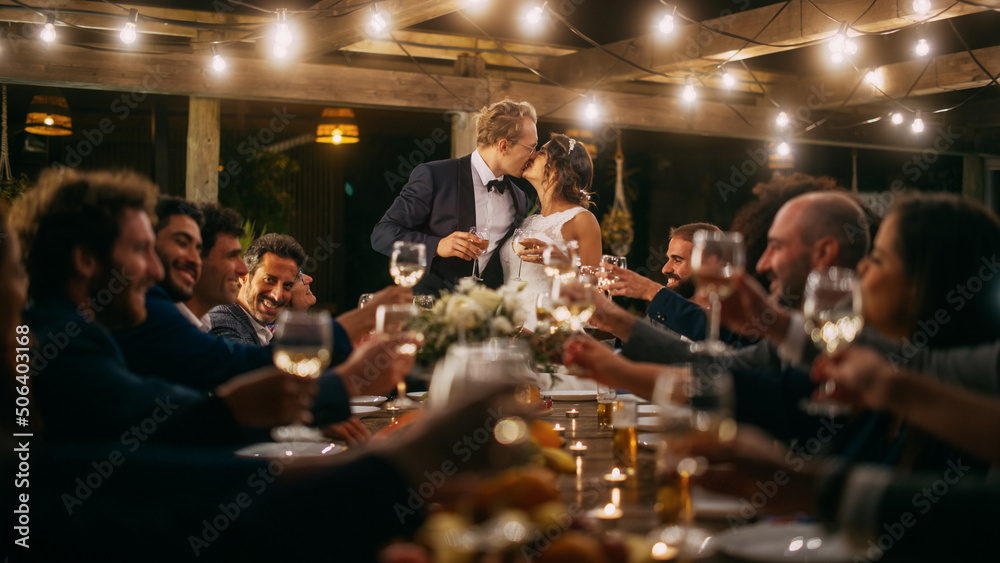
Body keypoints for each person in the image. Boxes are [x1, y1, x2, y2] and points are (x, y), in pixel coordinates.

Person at [10, 168, 316, 444]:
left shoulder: (61, 331)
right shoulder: (66, 344)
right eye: (140, 249)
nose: (156, 271)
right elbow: (178, 430)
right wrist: (233, 410)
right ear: (85, 260)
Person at [371, 98, 535, 292]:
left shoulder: (519, 198)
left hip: (487, 306)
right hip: (433, 303)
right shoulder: (435, 176)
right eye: (531, 147)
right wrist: (437, 246)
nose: (533, 155)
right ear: (503, 146)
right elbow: (382, 234)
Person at [497, 133, 601, 329]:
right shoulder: (526, 222)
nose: (532, 155)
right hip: (508, 326)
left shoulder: (582, 220)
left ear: (559, 168)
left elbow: (594, 293)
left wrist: (564, 265)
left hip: (548, 327)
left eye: (542, 152)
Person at [210, 233, 305, 346]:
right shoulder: (222, 326)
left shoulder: (261, 331)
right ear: (243, 277)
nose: (277, 296)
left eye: (287, 285)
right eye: (269, 280)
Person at [182, 202, 247, 331]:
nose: (244, 270)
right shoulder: (163, 328)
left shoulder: (202, 326)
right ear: (196, 259)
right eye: (231, 256)